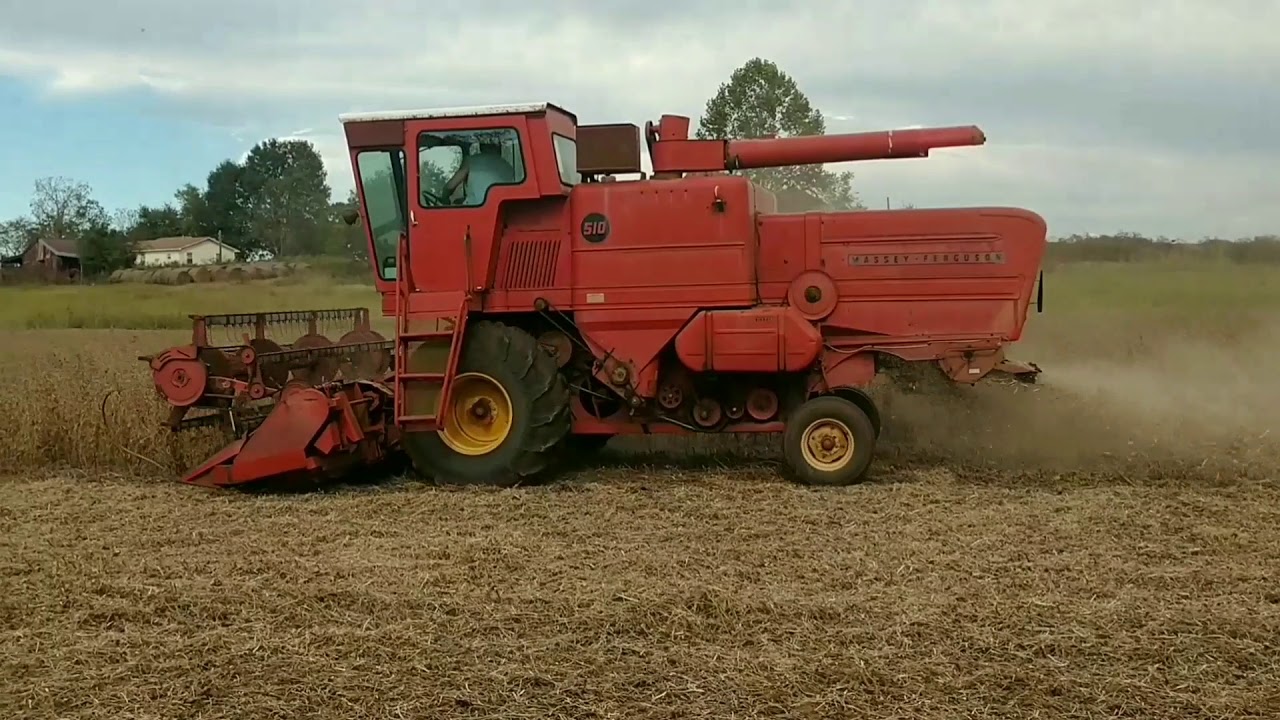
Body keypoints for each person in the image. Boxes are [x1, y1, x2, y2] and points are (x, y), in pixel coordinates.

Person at [444, 140, 517, 205]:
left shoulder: (470, 161)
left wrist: (444, 196)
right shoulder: (508, 167)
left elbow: (450, 186)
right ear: (499, 147)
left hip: (477, 211)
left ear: (481, 146)